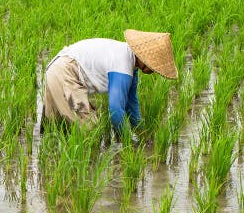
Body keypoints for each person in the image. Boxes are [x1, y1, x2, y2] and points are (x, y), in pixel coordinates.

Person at [41, 29, 178, 136]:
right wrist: (128, 142)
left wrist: (141, 133)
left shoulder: (130, 65)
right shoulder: (122, 64)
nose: (154, 70)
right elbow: (116, 111)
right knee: (90, 131)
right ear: (143, 57)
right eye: (153, 65)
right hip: (65, 74)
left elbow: (131, 104)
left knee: (56, 130)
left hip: (59, 69)